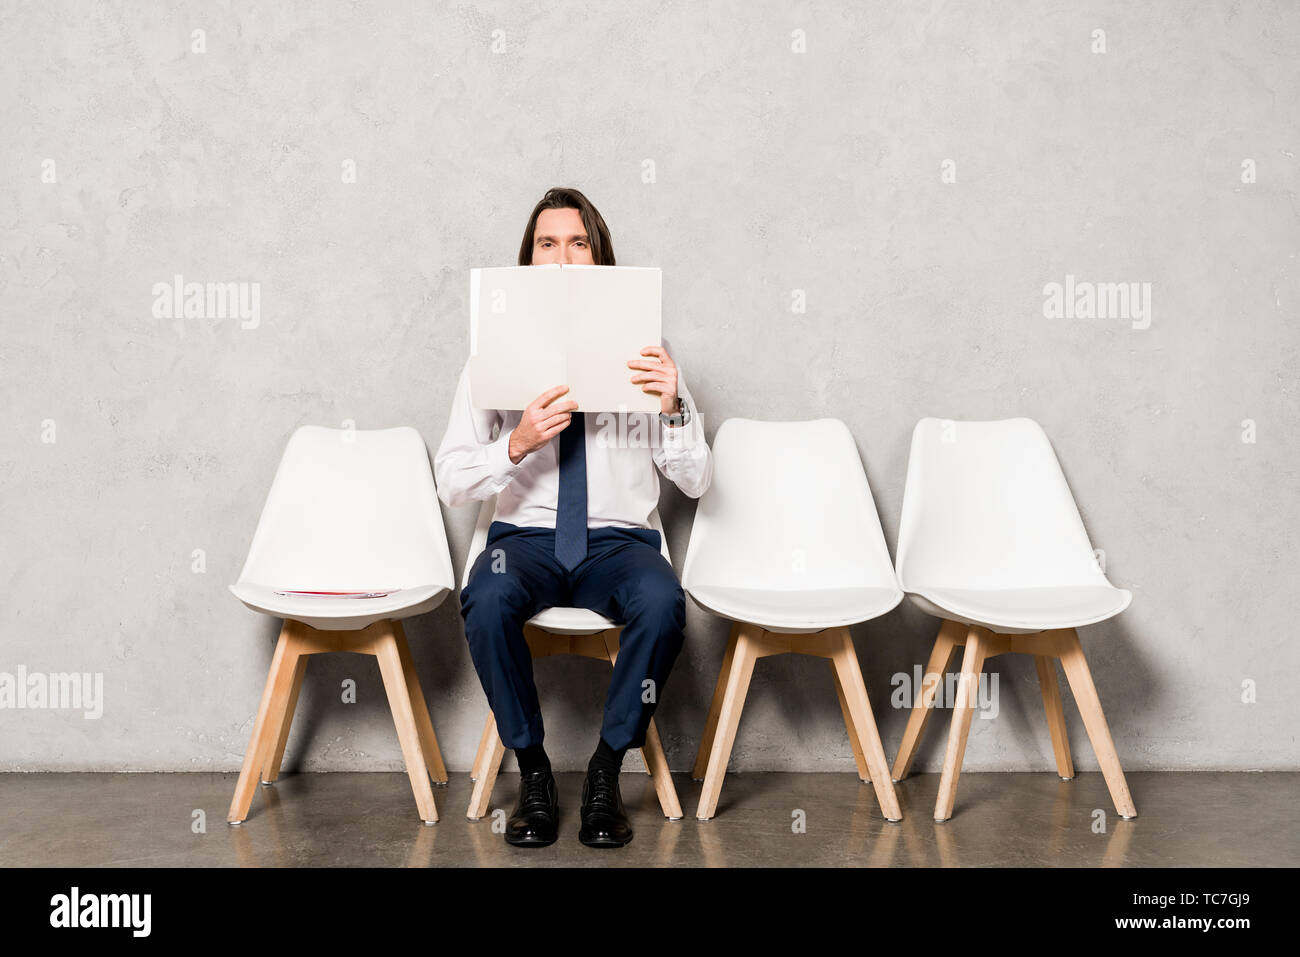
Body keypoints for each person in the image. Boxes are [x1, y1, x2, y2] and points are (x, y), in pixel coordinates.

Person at [434, 187, 712, 848]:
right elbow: (450, 480)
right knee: (488, 594)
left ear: (601, 257)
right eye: (547, 243)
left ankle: (606, 769)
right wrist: (518, 441)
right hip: (523, 541)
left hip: (621, 543)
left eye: (578, 242)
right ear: (528, 262)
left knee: (663, 600)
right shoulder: (491, 355)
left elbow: (698, 478)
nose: (562, 257)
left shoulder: (651, 350)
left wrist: (673, 404)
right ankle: (532, 770)